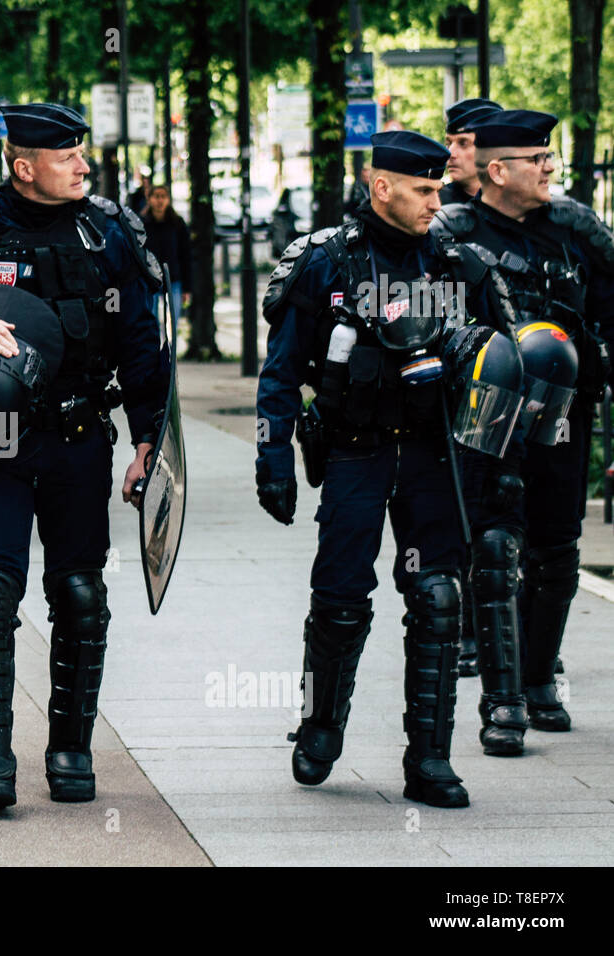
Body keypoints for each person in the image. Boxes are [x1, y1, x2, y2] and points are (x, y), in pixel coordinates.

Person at [0, 103, 170, 810]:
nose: (84, 165)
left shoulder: (109, 235)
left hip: (79, 441)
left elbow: (144, 346)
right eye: (68, 156)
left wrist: (149, 443)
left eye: (83, 153)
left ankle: (71, 753)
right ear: (24, 166)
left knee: (81, 596)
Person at [255, 130, 520, 808]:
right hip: (356, 450)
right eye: (425, 190)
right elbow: (281, 369)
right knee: (340, 601)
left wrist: (501, 465)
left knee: (437, 598)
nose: (440, 200)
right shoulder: (325, 263)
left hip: (435, 455)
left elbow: (506, 368)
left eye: (440, 187)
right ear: (382, 187)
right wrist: (272, 456)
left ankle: (429, 760)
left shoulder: (461, 265)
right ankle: (320, 727)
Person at [433, 109, 614, 734]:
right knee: (492, 543)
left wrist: (592, 358)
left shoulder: (577, 231)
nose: (550, 167)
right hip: (488, 411)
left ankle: (540, 682)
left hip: (565, 414)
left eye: (550, 157)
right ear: (499, 169)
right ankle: (501, 700)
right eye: (537, 159)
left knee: (557, 549)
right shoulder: (451, 232)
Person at [141, 184, 192, 328]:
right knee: (151, 324)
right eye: (156, 196)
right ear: (149, 199)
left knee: (172, 325)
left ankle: (170, 351)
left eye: (163, 196)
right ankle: (155, 350)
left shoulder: (177, 223)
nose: (160, 200)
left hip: (173, 280)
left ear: (168, 199)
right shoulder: (142, 223)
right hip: (151, 281)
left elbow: (186, 255)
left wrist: (187, 288)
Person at [439, 98, 501, 207]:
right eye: (448, 143)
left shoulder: (519, 203)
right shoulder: (436, 205)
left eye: (463, 143)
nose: (450, 153)